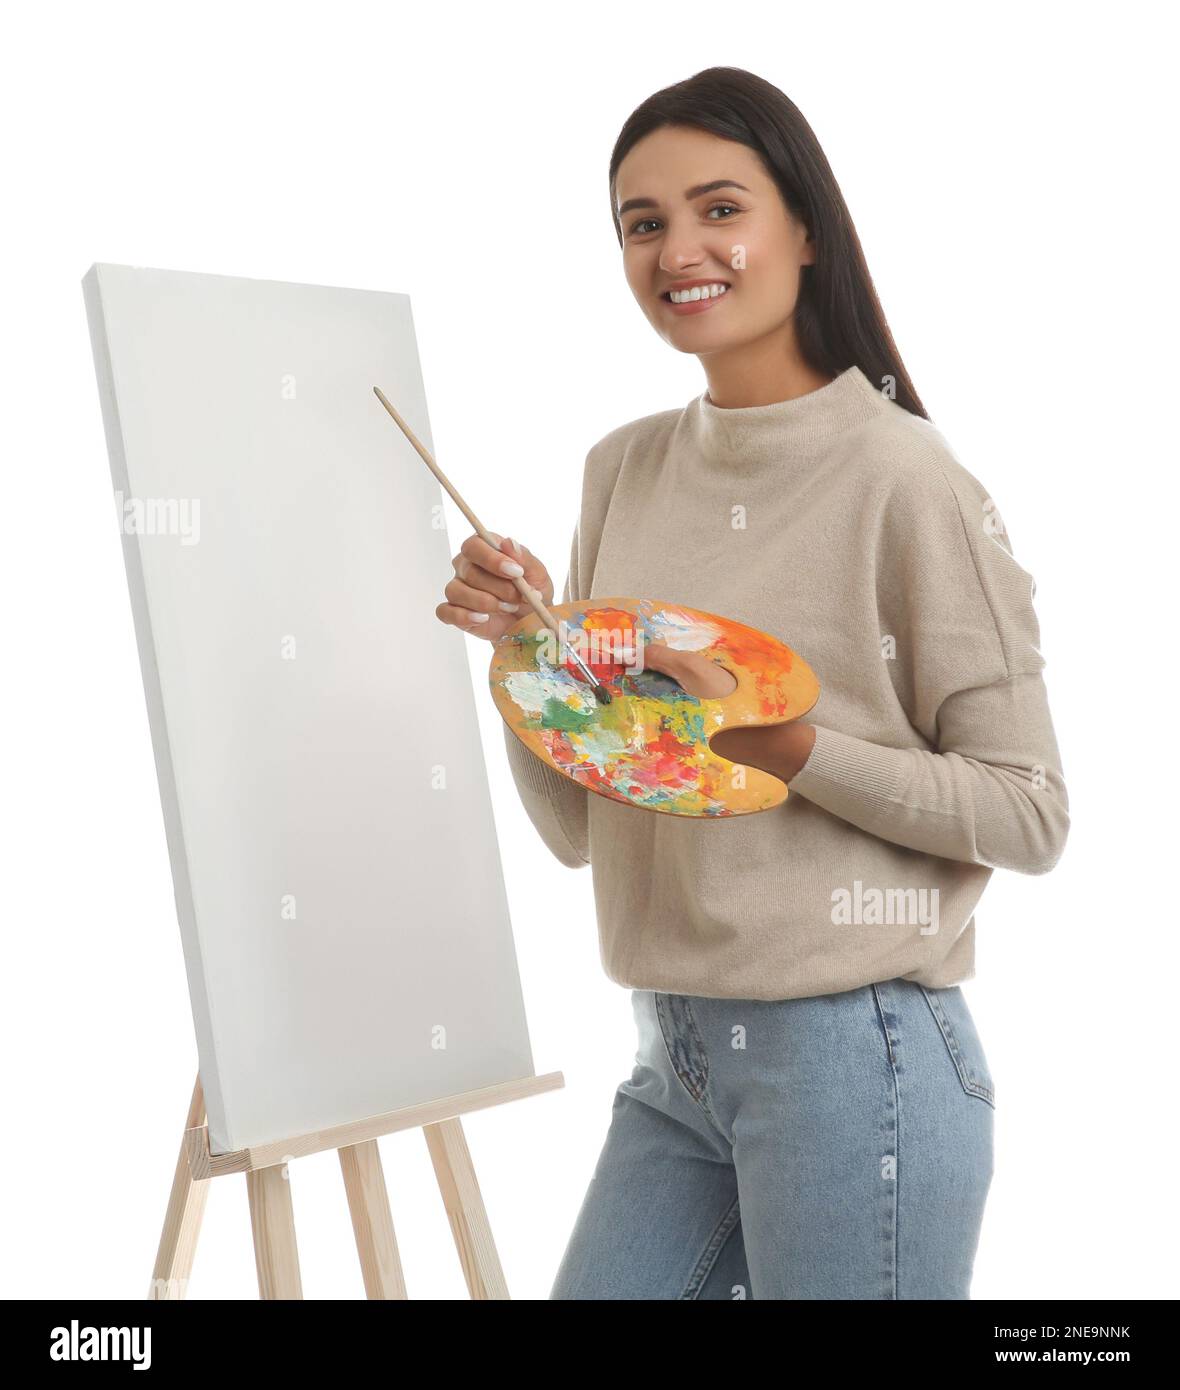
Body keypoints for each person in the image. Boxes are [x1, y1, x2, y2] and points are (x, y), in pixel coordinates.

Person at [435, 67, 1069, 1299]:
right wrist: (525, 657)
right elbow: (582, 826)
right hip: (672, 1054)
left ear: (805, 229)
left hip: (857, 1058)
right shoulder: (620, 470)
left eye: (719, 207)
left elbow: (1029, 811)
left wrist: (782, 745)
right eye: (643, 222)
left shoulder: (910, 482)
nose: (681, 249)